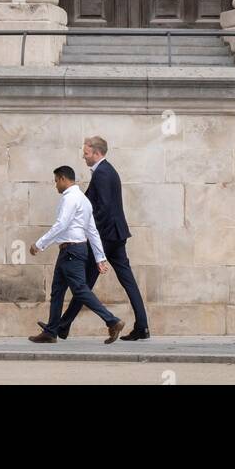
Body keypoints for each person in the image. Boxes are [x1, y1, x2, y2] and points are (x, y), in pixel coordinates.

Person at [56, 136, 149, 341]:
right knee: (126, 281)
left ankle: (63, 326)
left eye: (86, 153)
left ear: (97, 153)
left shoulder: (103, 173)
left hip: (106, 236)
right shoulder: (106, 171)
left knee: (84, 283)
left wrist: (88, 232)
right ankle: (142, 327)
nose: (83, 156)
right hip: (116, 235)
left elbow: (103, 208)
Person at [28, 165, 125, 344]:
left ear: (64, 179)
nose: (55, 185)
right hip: (71, 251)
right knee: (57, 291)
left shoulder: (70, 198)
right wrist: (100, 257)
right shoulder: (83, 199)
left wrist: (39, 244)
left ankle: (112, 321)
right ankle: (51, 331)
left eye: (56, 181)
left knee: (80, 290)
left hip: (71, 251)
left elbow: (61, 224)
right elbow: (92, 231)